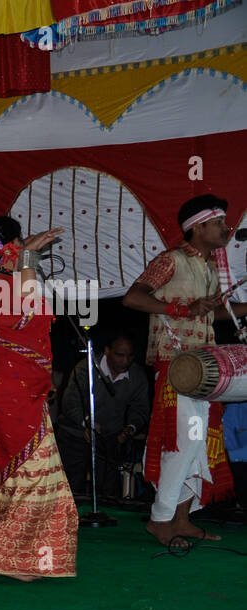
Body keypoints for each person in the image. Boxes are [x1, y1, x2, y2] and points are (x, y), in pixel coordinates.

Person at [122, 194, 247, 545]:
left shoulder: (209, 266)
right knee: (183, 442)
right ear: (199, 227)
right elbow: (133, 298)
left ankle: (182, 519)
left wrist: (237, 307)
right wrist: (182, 310)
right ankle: (160, 520)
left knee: (198, 444)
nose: (226, 229)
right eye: (219, 223)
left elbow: (209, 313)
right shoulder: (171, 261)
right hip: (176, 367)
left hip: (204, 367)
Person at [0, 216, 78, 580]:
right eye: (21, 242)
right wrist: (28, 258)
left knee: (21, 478)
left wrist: (27, 260)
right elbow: (27, 316)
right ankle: (7, 557)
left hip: (16, 390)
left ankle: (10, 555)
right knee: (25, 477)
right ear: (10, 247)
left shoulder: (2, 282)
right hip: (6, 394)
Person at [56, 331, 150, 499]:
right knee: (71, 486)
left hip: (108, 438)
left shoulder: (137, 376)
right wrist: (87, 422)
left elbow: (140, 408)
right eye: (120, 355)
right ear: (107, 351)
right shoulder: (85, 368)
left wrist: (130, 428)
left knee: (107, 489)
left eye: (129, 356)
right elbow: (70, 402)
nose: (125, 361)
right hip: (75, 434)